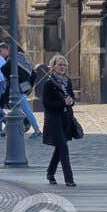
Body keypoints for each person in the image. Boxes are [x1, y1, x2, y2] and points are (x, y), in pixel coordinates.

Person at [40, 54, 78, 186]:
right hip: (54, 120)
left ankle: (50, 173)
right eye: (60, 65)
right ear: (53, 66)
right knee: (63, 147)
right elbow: (46, 103)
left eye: (64, 65)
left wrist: (71, 101)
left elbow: (71, 97)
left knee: (59, 148)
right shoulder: (48, 83)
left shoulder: (68, 81)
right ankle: (69, 179)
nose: (62, 67)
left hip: (66, 119)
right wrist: (63, 102)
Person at [0, 42, 41, 138]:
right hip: (22, 87)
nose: (0, 53)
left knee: (25, 110)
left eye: (1, 51)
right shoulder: (22, 58)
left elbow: (4, 70)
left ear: (8, 50)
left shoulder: (13, 59)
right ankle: (6, 130)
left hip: (18, 89)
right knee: (14, 109)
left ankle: (37, 129)